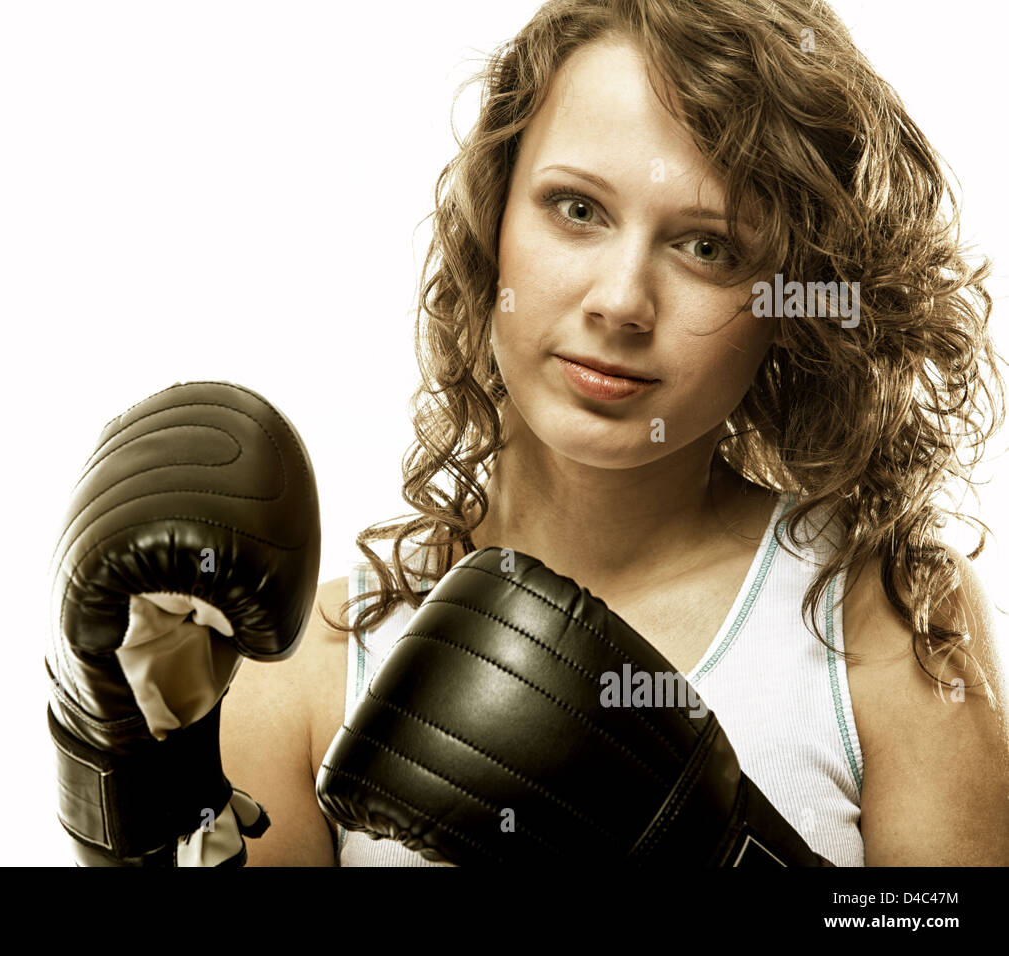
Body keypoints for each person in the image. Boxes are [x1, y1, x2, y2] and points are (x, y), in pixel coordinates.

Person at [217, 0, 1009, 866]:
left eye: (708, 248)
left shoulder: (884, 611)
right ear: (494, 224)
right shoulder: (315, 667)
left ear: (791, 301)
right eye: (577, 209)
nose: (622, 301)